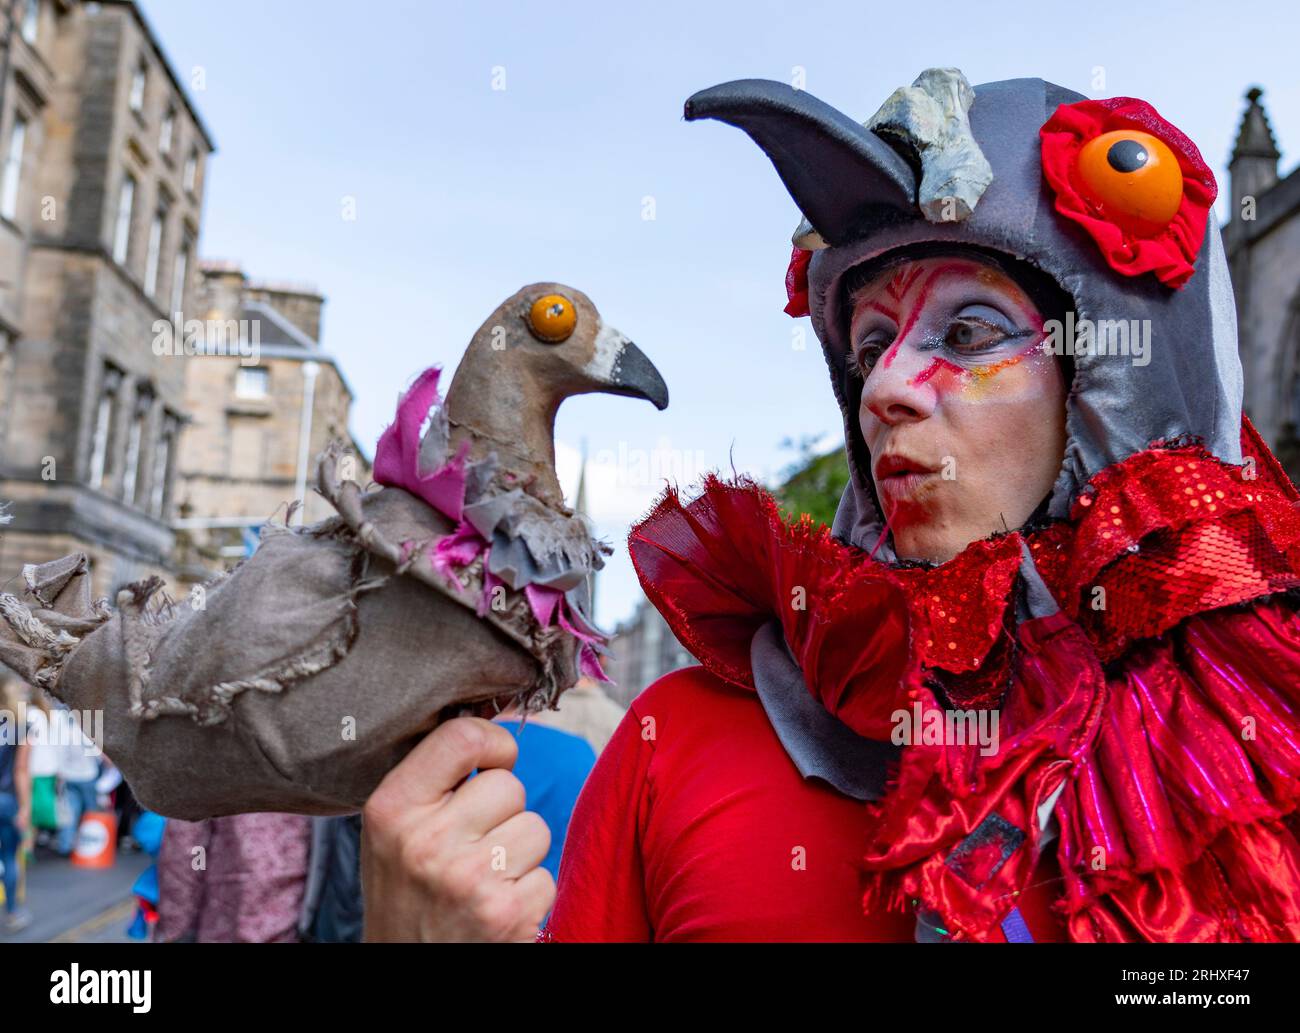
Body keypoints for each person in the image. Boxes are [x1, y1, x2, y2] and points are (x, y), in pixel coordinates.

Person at [360, 68, 1300, 942]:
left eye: (968, 330)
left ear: (1114, 383)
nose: (885, 384)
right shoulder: (678, 739)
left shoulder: (1268, 749)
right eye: (873, 339)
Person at [0, 685, 32, 934]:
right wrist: (25, 807)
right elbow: (21, 770)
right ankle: (12, 912)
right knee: (10, 857)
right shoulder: (20, 728)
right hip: (7, 800)